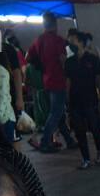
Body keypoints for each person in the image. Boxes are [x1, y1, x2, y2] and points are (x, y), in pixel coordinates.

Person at [26, 12, 77, 154]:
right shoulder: (58, 40)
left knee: (58, 114)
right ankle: (45, 142)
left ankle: (69, 140)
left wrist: (42, 66)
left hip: (46, 80)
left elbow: (29, 57)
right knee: (56, 113)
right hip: (58, 80)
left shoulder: (39, 40)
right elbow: (62, 60)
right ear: (55, 24)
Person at [65, 29, 100, 168]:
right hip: (75, 101)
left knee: (95, 128)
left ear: (81, 42)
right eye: (69, 41)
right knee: (79, 131)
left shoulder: (92, 59)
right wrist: (67, 99)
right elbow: (68, 81)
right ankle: (86, 158)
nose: (70, 43)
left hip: (90, 99)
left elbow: (99, 79)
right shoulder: (69, 61)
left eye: (73, 41)